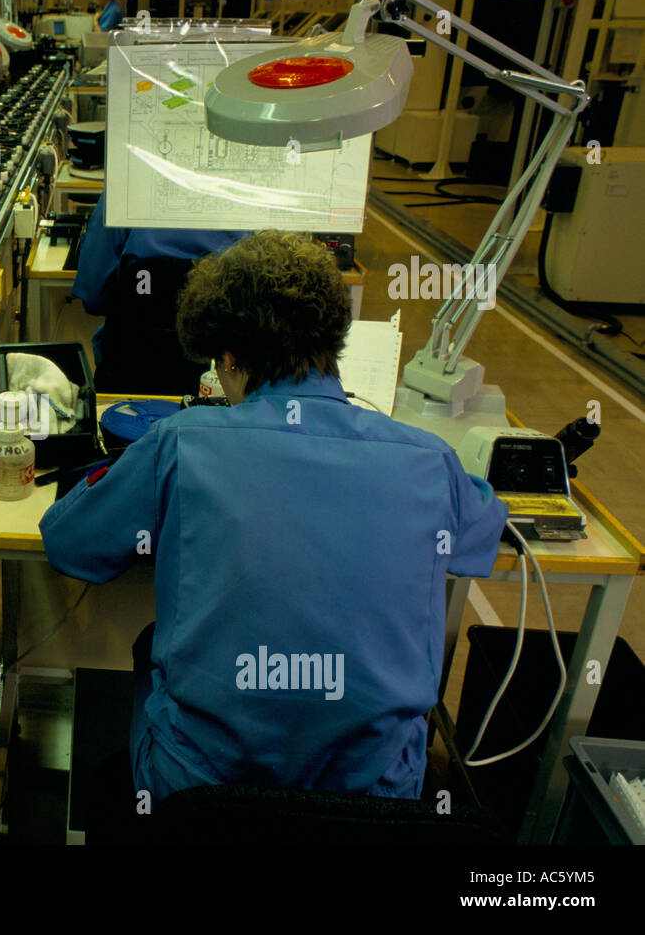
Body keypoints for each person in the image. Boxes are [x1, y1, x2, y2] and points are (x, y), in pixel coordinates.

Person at [40, 230, 509, 806]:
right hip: (377, 807)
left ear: (229, 359)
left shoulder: (181, 444)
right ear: (333, 343)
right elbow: (486, 533)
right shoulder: (430, 462)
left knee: (150, 653)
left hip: (205, 798)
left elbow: (67, 542)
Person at [70, 192, 248, 393]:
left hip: (131, 373)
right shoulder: (258, 196)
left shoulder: (125, 187)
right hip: (228, 378)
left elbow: (93, 298)